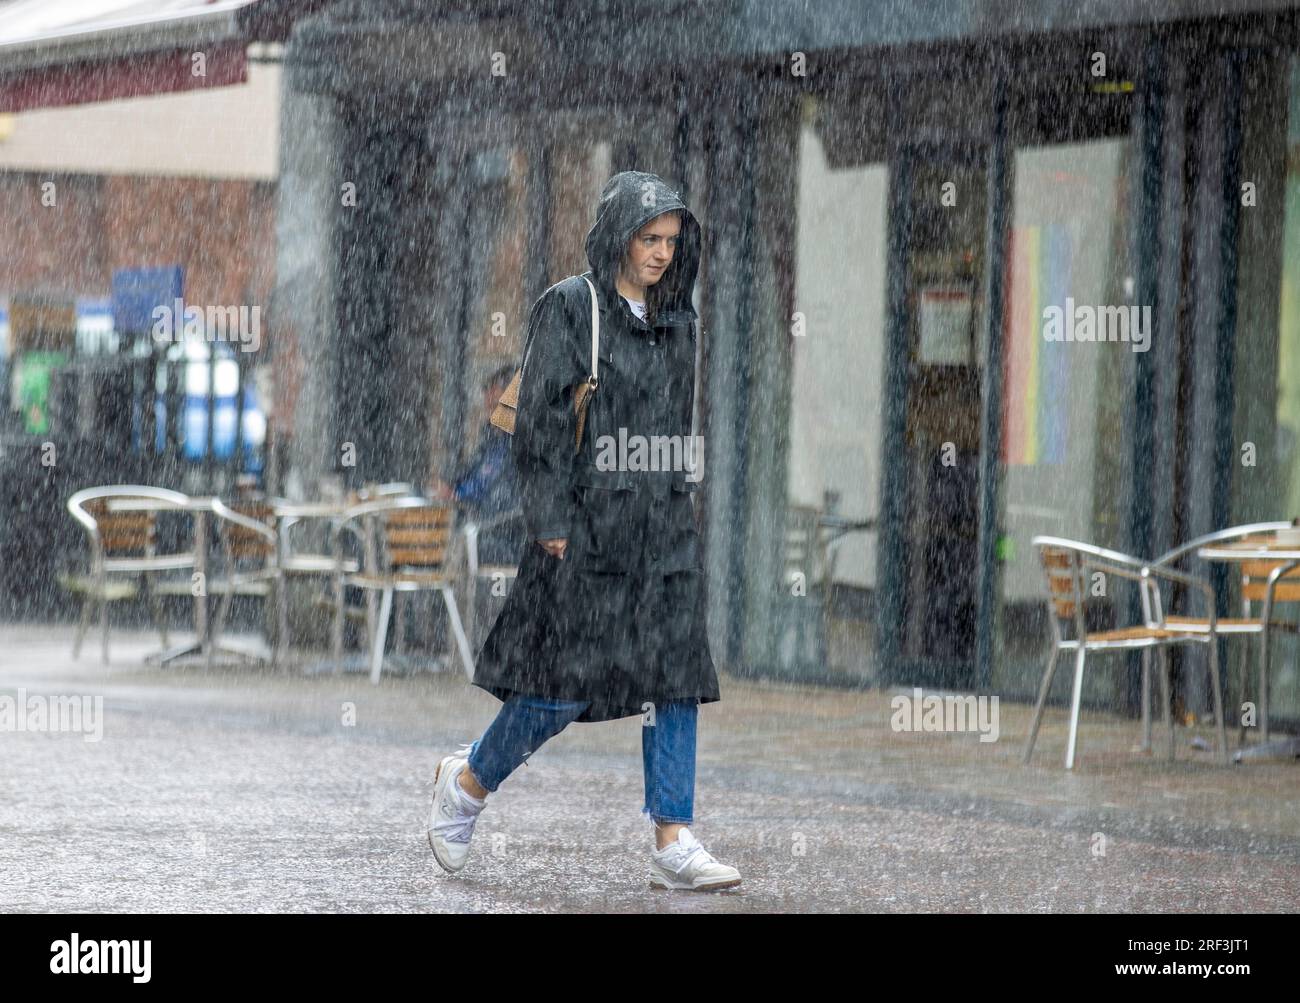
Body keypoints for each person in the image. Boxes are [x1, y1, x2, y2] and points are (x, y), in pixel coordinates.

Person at [426, 170, 739, 891]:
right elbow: (535, 420)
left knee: (675, 679)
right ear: (619, 236)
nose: (661, 253)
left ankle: (673, 838)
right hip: (586, 531)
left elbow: (671, 423)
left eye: (670, 240)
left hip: (661, 527)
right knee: (557, 691)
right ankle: (467, 785)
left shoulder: (677, 317)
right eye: (648, 237)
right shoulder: (574, 307)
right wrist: (551, 518)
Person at [428, 364, 525, 566]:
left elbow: (502, 500)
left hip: (504, 538)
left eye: (496, 407)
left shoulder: (525, 446)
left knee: (436, 547)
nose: (491, 415)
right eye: (489, 407)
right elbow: (471, 476)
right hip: (475, 528)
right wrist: (451, 488)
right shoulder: (492, 440)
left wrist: (459, 496)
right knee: (419, 538)